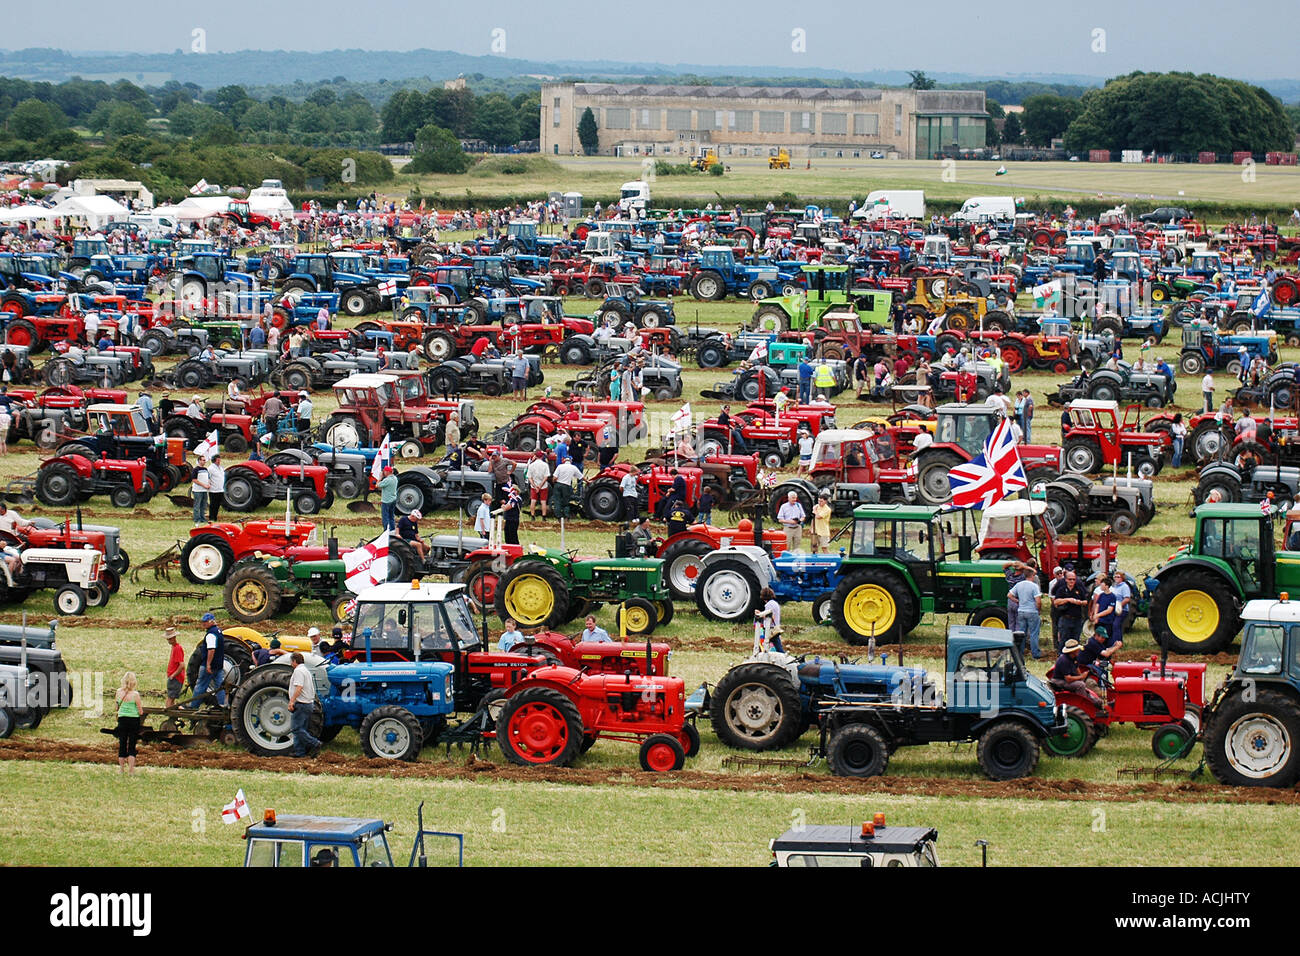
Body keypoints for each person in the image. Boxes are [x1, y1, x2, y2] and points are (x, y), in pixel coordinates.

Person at [1049, 639, 1105, 709]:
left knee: (1087, 682)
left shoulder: (1074, 658)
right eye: (1077, 649)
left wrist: (1082, 677)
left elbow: (1077, 669)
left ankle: (1095, 701)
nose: (1079, 650)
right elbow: (1068, 679)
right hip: (1059, 681)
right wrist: (1081, 677)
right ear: (1072, 651)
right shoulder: (1064, 660)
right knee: (1080, 685)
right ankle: (1083, 705)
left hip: (1067, 679)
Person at [287, 651, 321, 758]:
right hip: (308, 703)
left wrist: (292, 701)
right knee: (301, 729)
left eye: (291, 661)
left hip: (302, 703)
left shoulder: (299, 671)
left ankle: (315, 743)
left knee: (296, 728)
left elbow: (299, 687)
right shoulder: (306, 670)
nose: (291, 664)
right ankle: (300, 752)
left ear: (294, 661)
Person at [188, 613, 226, 709]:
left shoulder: (211, 635)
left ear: (211, 621)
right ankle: (223, 706)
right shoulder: (219, 631)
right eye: (203, 622)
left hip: (209, 666)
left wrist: (208, 664)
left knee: (200, 686)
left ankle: (193, 706)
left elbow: (211, 650)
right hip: (218, 665)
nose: (203, 624)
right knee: (220, 687)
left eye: (205, 622)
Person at [1008, 573, 1043, 660]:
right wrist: (1038, 610)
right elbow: (1038, 601)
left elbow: (1009, 595)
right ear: (1032, 576)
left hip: (1021, 611)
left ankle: (1020, 652)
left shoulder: (1019, 584)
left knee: (1021, 634)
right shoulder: (1034, 586)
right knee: (1034, 633)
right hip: (1032, 612)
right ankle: (1035, 654)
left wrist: (1017, 601)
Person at [114, 672, 143, 774]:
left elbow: (116, 707)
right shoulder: (135, 695)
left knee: (122, 743)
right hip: (134, 720)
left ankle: (121, 769)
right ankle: (131, 770)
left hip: (122, 719)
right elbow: (140, 711)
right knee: (132, 745)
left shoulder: (118, 692)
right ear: (134, 682)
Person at [552, 456, 581, 520]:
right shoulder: (573, 467)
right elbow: (581, 477)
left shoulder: (559, 466)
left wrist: (554, 482)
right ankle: (566, 516)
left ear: (564, 460)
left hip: (558, 484)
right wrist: (587, 481)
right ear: (570, 461)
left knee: (557, 501)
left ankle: (559, 517)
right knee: (566, 502)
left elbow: (554, 478)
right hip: (566, 486)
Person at [756, 586, 784, 653]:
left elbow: (770, 617)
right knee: (774, 646)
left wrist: (760, 614)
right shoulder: (775, 603)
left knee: (776, 648)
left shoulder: (768, 605)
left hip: (770, 629)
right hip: (775, 627)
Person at [525, 451, 551, 519]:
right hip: (543, 486)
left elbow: (529, 477)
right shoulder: (545, 465)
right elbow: (546, 477)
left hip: (534, 486)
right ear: (542, 457)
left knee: (533, 501)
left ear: (535, 456)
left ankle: (533, 516)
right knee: (543, 501)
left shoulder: (531, 465)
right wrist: (540, 486)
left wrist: (534, 485)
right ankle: (544, 516)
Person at [164, 627, 185, 708]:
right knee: (172, 699)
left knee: (170, 699)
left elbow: (182, 665)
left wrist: (173, 675)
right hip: (174, 677)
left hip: (176, 678)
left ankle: (169, 713)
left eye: (169, 639)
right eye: (167, 639)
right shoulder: (174, 647)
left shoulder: (177, 648)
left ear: (174, 638)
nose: (168, 641)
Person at [498, 479, 521, 545]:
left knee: (512, 537)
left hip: (513, 519)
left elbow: (507, 507)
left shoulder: (516, 499)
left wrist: (504, 506)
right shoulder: (511, 499)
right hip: (509, 519)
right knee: (507, 535)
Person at [377, 465, 398, 532]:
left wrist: (380, 478)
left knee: (385, 517)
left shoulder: (387, 480)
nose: (383, 473)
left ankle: (386, 530)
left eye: (384, 471)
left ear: (387, 472)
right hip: (393, 499)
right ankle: (392, 530)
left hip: (386, 501)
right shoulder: (395, 478)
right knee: (391, 516)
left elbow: (377, 485)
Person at [811, 490, 832, 554]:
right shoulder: (817, 506)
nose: (819, 503)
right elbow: (814, 518)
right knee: (814, 548)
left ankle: (828, 560)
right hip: (816, 531)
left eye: (821, 501)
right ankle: (815, 561)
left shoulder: (827, 509)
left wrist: (815, 510)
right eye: (818, 501)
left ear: (825, 501)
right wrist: (811, 528)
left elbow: (818, 516)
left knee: (824, 548)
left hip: (823, 532)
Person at [190, 459, 210, 525]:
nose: (204, 461)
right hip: (197, 490)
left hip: (204, 490)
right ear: (199, 461)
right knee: (197, 505)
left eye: (204, 460)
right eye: (203, 460)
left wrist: (208, 484)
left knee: (203, 505)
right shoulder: (196, 469)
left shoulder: (206, 470)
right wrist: (203, 485)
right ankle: (196, 519)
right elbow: (194, 480)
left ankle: (202, 518)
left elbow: (208, 478)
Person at [206, 454, 225, 521]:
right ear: (214, 461)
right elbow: (208, 477)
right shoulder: (210, 468)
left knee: (218, 505)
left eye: (219, 459)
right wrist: (208, 484)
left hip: (220, 489)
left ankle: (215, 517)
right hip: (213, 490)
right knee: (213, 504)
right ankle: (211, 517)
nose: (219, 461)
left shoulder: (221, 468)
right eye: (218, 460)